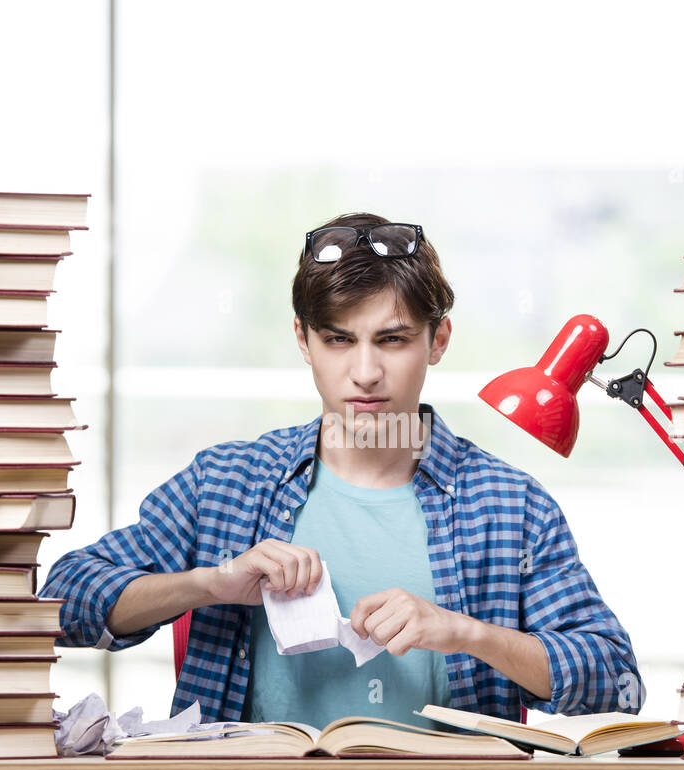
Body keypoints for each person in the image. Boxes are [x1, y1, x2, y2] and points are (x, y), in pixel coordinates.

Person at [38, 212, 643, 728]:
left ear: (439, 341)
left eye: (393, 340)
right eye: (338, 340)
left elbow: (615, 680)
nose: (365, 373)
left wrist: (466, 633)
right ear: (303, 339)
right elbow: (61, 603)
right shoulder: (228, 481)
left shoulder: (509, 506)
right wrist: (207, 584)